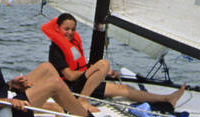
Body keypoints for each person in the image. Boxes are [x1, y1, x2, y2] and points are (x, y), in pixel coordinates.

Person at [0, 8, 120, 117]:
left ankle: (75, 114)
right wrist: (7, 101)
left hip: (5, 105)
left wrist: (11, 84)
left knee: (47, 68)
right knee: (55, 85)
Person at [42, 14, 188, 110]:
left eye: (73, 29)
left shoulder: (72, 43)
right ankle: (82, 101)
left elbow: (80, 70)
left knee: (123, 89)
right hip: (70, 88)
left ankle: (166, 99)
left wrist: (99, 74)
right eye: (66, 29)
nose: (70, 32)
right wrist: (93, 71)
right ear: (58, 28)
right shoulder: (55, 49)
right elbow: (69, 76)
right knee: (104, 64)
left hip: (81, 84)